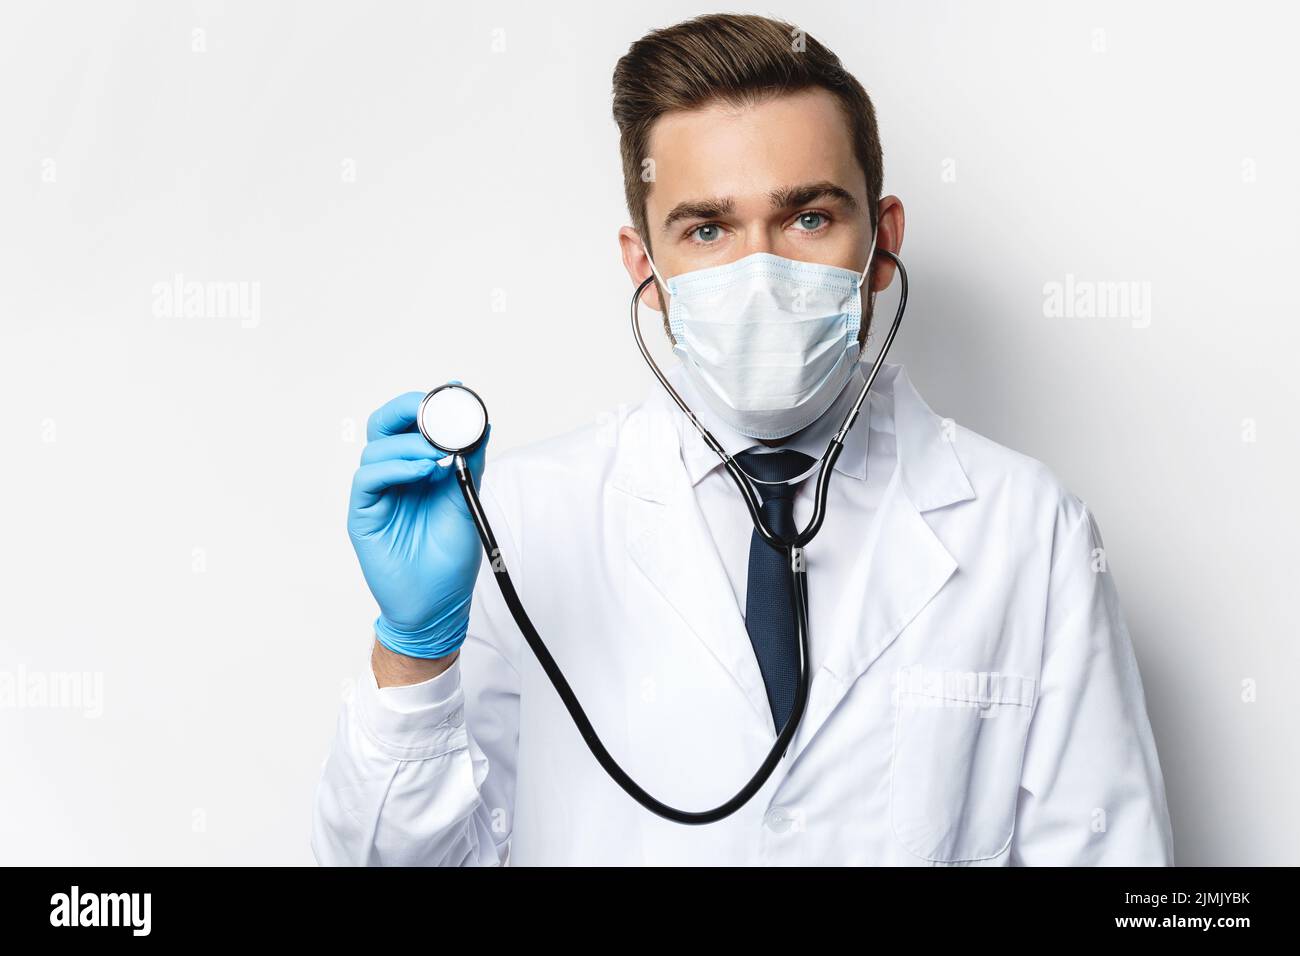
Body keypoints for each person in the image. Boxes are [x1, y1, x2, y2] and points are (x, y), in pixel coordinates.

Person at [311, 13, 1174, 866]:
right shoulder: (523, 522)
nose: (760, 273)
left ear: (882, 243)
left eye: (807, 218)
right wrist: (413, 653)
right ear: (644, 267)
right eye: (708, 230)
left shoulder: (1027, 530)